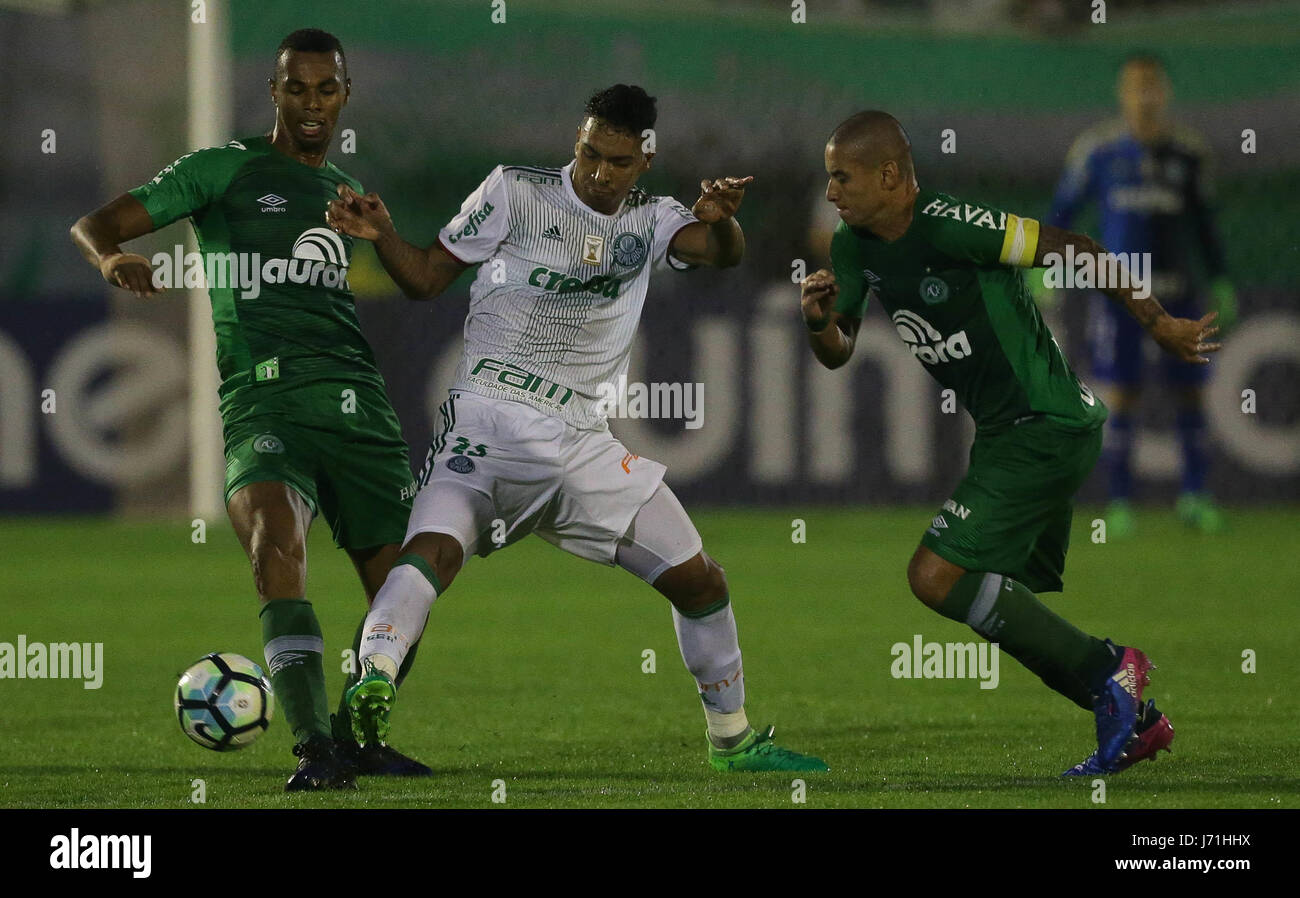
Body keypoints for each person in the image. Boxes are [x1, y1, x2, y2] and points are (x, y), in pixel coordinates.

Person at [326, 84, 827, 773]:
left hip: (582, 441)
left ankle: (732, 741)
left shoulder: (653, 219)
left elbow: (722, 253)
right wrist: (384, 235)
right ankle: (376, 672)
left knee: (701, 580)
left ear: (642, 162)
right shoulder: (514, 191)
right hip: (492, 413)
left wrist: (724, 221)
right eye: (589, 152)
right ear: (578, 141)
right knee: (432, 552)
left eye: (616, 161)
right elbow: (425, 280)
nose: (598, 171)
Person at [801, 110, 1219, 774]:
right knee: (987, 597)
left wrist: (1159, 324)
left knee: (935, 576)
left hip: (1045, 425)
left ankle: (1114, 669)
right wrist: (821, 322)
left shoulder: (952, 225)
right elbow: (838, 350)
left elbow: (1076, 248)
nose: (830, 193)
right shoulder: (853, 248)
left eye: (840, 177)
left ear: (889, 175)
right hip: (1006, 433)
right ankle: (1130, 716)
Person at [70, 28, 432, 790]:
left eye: (324, 89)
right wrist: (112, 257)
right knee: (275, 545)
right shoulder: (222, 170)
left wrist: (385, 231)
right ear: (273, 91)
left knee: (402, 588)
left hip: (358, 406)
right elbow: (97, 223)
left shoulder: (342, 191)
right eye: (294, 87)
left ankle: (356, 738)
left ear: (344, 96)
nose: (310, 103)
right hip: (263, 397)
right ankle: (313, 748)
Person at [1049, 53, 1236, 537]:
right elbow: (1063, 212)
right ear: (1122, 93)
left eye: (1152, 85)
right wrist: (1043, 267)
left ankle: (1195, 497)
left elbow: (1206, 226)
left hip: (1179, 293)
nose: (1145, 94)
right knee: (1120, 395)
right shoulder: (1098, 152)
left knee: (1190, 394)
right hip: (1122, 297)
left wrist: (1219, 279)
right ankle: (1120, 505)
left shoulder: (1189, 155)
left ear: (1166, 92)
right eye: (1136, 86)